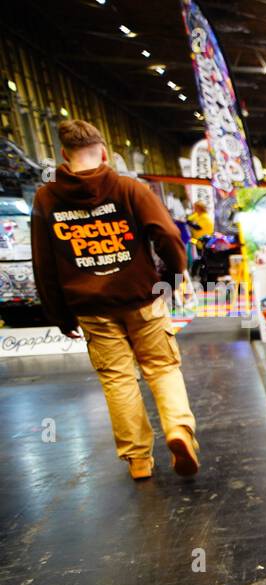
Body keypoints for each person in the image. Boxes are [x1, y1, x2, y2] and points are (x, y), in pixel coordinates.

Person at [30, 119, 199, 480]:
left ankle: (139, 460)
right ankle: (178, 430)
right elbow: (168, 234)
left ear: (64, 155)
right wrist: (169, 279)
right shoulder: (127, 188)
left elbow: (43, 263)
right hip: (142, 299)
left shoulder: (46, 199)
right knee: (162, 367)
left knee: (118, 379)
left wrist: (60, 315)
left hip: (91, 309)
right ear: (104, 152)